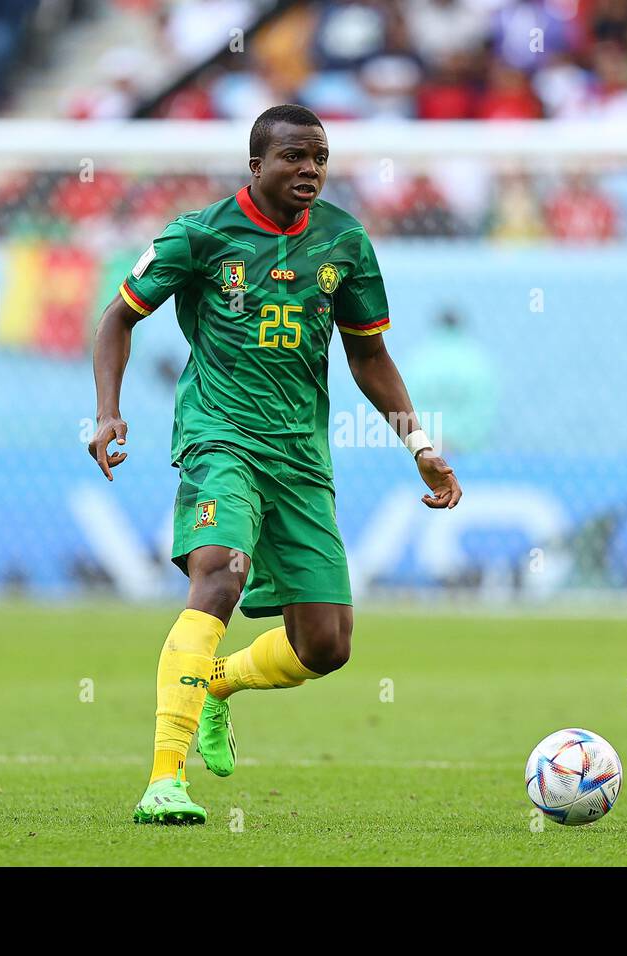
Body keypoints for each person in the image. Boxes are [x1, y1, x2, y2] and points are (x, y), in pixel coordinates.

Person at [89, 103, 462, 824]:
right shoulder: (200, 236)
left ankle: (216, 686)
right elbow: (118, 318)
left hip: (301, 456)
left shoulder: (344, 241)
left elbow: (370, 355)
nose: (310, 170)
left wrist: (419, 445)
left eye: (319, 156)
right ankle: (165, 780)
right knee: (221, 570)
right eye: (294, 156)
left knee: (326, 645)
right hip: (220, 435)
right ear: (256, 166)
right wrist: (107, 412)